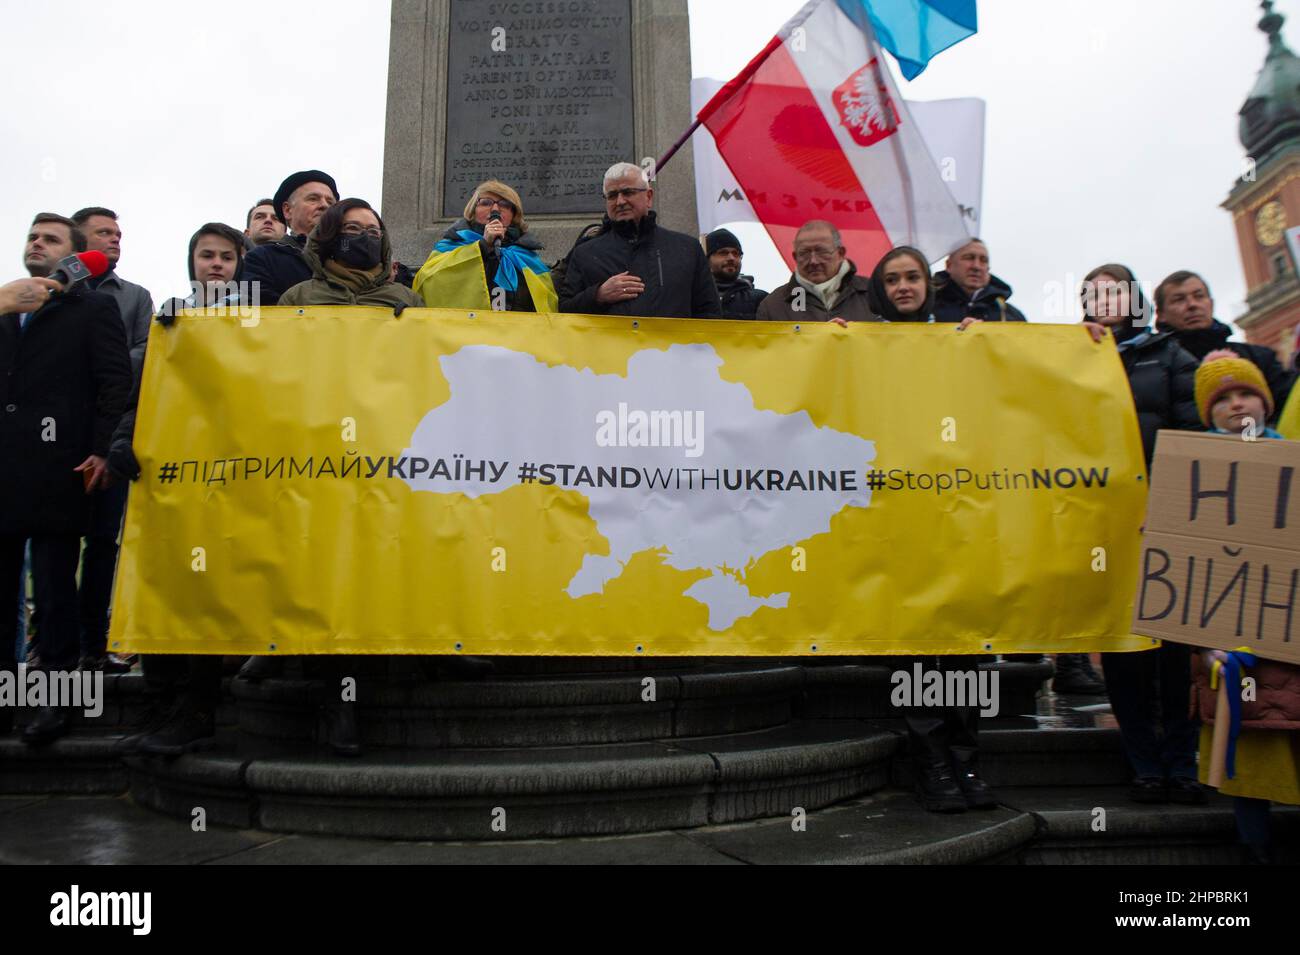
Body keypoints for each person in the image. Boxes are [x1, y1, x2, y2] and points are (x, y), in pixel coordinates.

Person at [111, 224, 247, 756]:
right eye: (206, 256)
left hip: (230, 474)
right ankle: (161, 699)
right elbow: (140, 390)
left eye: (227, 257)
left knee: (204, 590)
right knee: (162, 583)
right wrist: (125, 437)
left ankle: (196, 707)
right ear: (192, 262)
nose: (216, 265)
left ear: (240, 265)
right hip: (170, 472)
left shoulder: (263, 323)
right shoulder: (169, 319)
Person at [0, 214, 132, 742]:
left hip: (60, 469)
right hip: (5, 469)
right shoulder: (6, 308)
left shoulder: (92, 307)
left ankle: (54, 702)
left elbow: (114, 382)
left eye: (50, 238)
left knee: (56, 589)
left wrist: (102, 451)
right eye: (33, 236)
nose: (37, 243)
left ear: (72, 256)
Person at [1081, 262, 1204, 804]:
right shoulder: (1072, 357)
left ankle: (1182, 761)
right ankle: (1144, 764)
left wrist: (1173, 507)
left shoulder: (1172, 356)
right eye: (1095, 296)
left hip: (1163, 522)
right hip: (1103, 526)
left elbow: (1194, 436)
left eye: (1116, 294)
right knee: (1123, 649)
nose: (1106, 303)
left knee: (1174, 653)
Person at [1188, 350, 1297, 863]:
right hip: (1232, 650)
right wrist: (1205, 644)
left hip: (1290, 642)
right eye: (1223, 399)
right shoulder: (1189, 478)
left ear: (1266, 402)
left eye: (1246, 393)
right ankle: (1256, 852)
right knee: (1248, 755)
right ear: (1207, 413)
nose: (1236, 405)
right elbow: (1187, 568)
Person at [70, 207, 154, 672]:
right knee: (54, 546)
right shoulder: (54, 294)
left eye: (119, 233)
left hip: (113, 428)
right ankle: (53, 643)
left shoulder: (136, 297)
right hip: (61, 435)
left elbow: (145, 354)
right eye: (105, 233)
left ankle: (96, 642)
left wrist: (103, 363)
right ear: (77, 239)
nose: (115, 240)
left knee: (104, 540)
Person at [559, 162, 721, 319]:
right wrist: (597, 295)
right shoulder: (585, 253)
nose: (620, 201)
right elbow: (563, 312)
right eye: (612, 195)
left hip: (672, 346)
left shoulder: (688, 249)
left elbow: (709, 313)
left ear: (648, 197)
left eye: (628, 192)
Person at [1155, 269, 1294, 418]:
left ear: (1211, 303)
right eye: (1179, 299)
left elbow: (1286, 412)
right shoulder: (1154, 367)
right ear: (1161, 314)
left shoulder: (1260, 358)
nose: (1192, 305)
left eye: (1199, 296)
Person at [413, 180, 556, 312]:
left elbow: (547, 302)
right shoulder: (450, 246)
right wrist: (483, 247)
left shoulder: (527, 256)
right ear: (473, 210)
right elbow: (427, 282)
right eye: (486, 203)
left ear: (514, 215)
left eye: (504, 204)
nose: (495, 209)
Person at [279, 198, 422, 310]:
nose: (365, 236)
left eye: (373, 231)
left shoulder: (408, 298)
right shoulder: (297, 297)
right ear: (332, 236)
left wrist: (410, 322)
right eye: (353, 228)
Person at [242, 170, 339, 306]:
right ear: (288, 210)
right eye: (313, 199)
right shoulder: (262, 258)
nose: (324, 205)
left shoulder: (350, 255)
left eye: (330, 202)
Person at [755, 220, 877, 323]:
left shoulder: (875, 294)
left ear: (840, 253)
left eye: (821, 251)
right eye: (804, 253)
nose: (813, 261)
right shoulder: (773, 306)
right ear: (795, 257)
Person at [933, 238, 1027, 324]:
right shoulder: (928, 308)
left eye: (983, 260)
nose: (976, 266)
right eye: (969, 258)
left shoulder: (1011, 316)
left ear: (988, 268)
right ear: (949, 265)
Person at [705, 228, 766, 320]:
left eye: (736, 253)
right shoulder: (693, 298)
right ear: (706, 259)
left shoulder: (761, 300)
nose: (731, 258)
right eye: (723, 253)